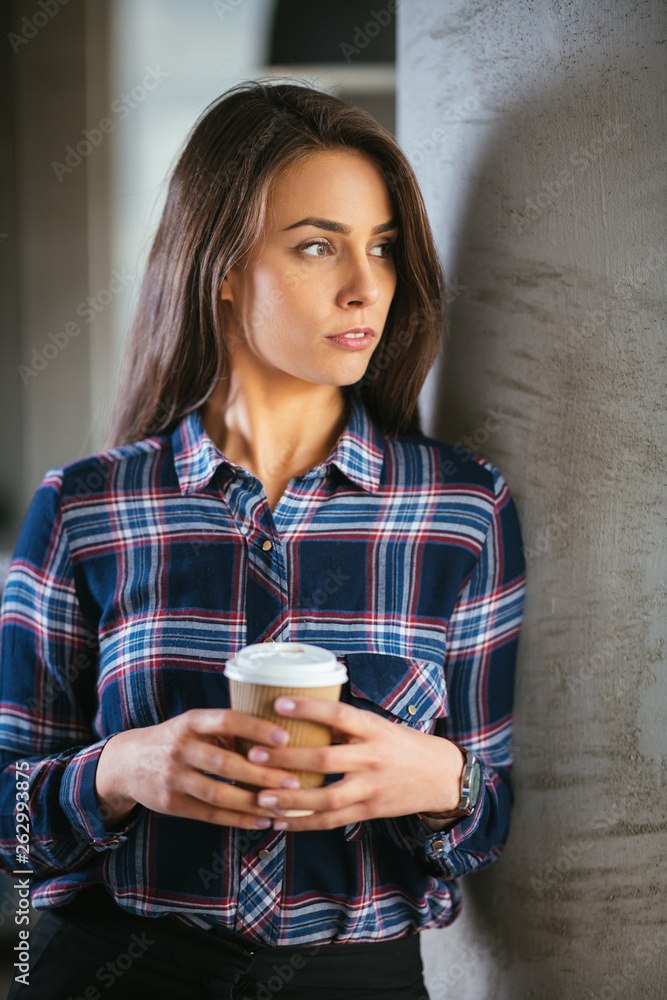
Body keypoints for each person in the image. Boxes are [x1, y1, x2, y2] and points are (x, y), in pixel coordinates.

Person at [0, 80, 526, 999]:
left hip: (360, 980)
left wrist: (442, 778)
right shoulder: (87, 509)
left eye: (384, 248)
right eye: (318, 246)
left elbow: (486, 825)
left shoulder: (461, 509)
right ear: (223, 268)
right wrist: (119, 771)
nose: (368, 287)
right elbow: (9, 819)